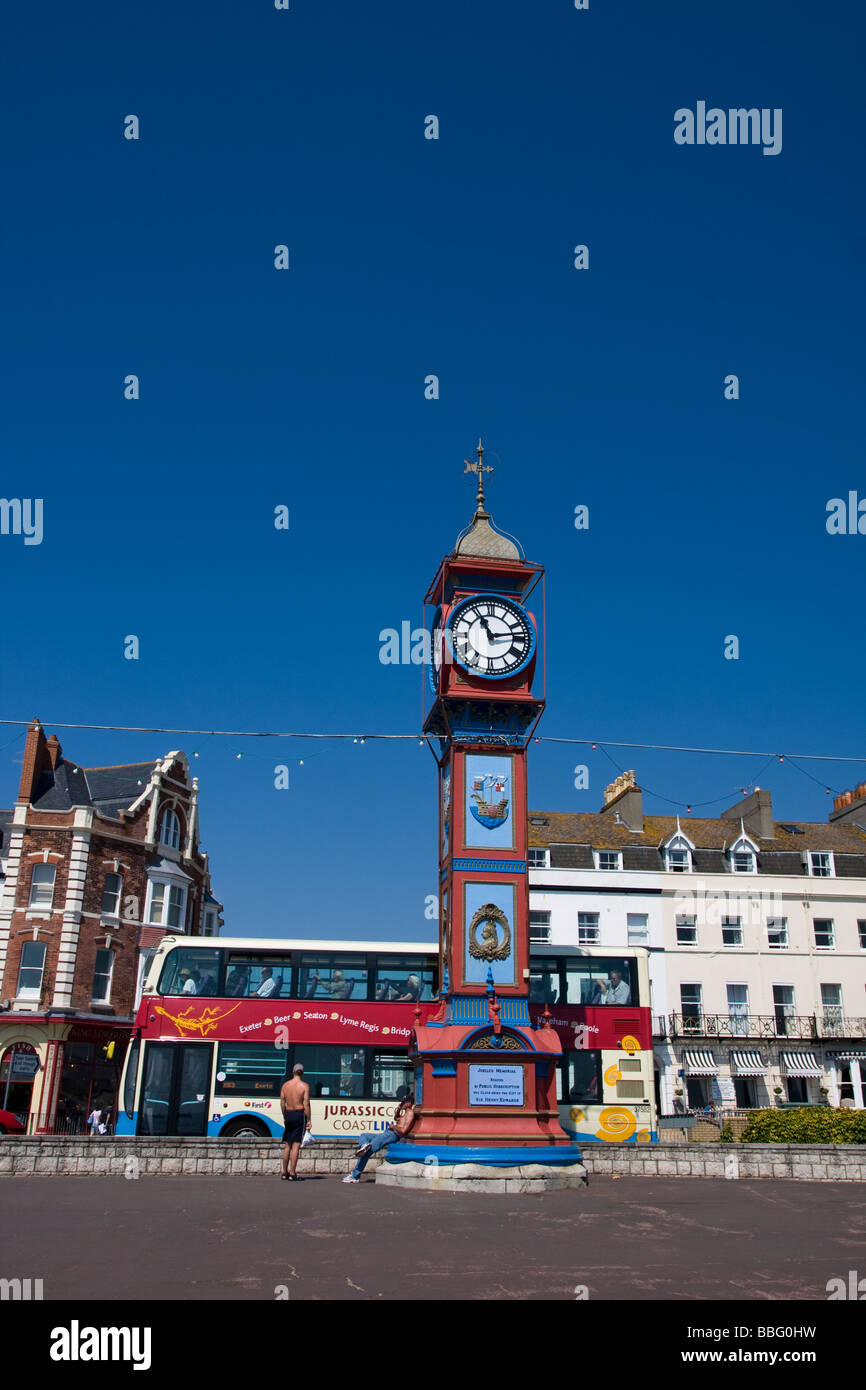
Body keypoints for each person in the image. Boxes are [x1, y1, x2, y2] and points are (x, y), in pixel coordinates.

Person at [342, 1092, 415, 1183]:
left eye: (403, 1102)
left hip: (392, 1135)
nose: (401, 1104)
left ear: (409, 1103)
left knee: (367, 1153)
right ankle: (364, 1145)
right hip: (388, 1133)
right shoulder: (405, 1113)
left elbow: (403, 1131)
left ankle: (355, 1175)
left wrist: (393, 1127)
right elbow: (397, 1119)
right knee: (364, 1135)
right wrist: (398, 1110)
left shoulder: (410, 1113)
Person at [279, 1064, 311, 1181]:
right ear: (301, 1073)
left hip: (288, 1113)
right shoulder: (304, 1086)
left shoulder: (285, 1085)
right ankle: (292, 1173)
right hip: (299, 1113)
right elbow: (306, 1103)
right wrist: (308, 1120)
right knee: (296, 1144)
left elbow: (282, 1102)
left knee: (288, 1144)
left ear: (293, 1071)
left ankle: (284, 1172)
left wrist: (284, 1115)